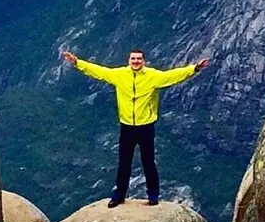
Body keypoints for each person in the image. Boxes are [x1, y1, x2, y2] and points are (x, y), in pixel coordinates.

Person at [61, 49, 209, 207]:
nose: (136, 61)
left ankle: (153, 195)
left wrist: (194, 69)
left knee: (148, 162)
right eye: (133, 58)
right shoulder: (120, 75)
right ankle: (119, 196)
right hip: (127, 127)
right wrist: (77, 62)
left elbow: (172, 76)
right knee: (124, 163)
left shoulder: (153, 76)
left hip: (146, 126)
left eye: (139, 59)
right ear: (129, 60)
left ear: (143, 61)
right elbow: (98, 71)